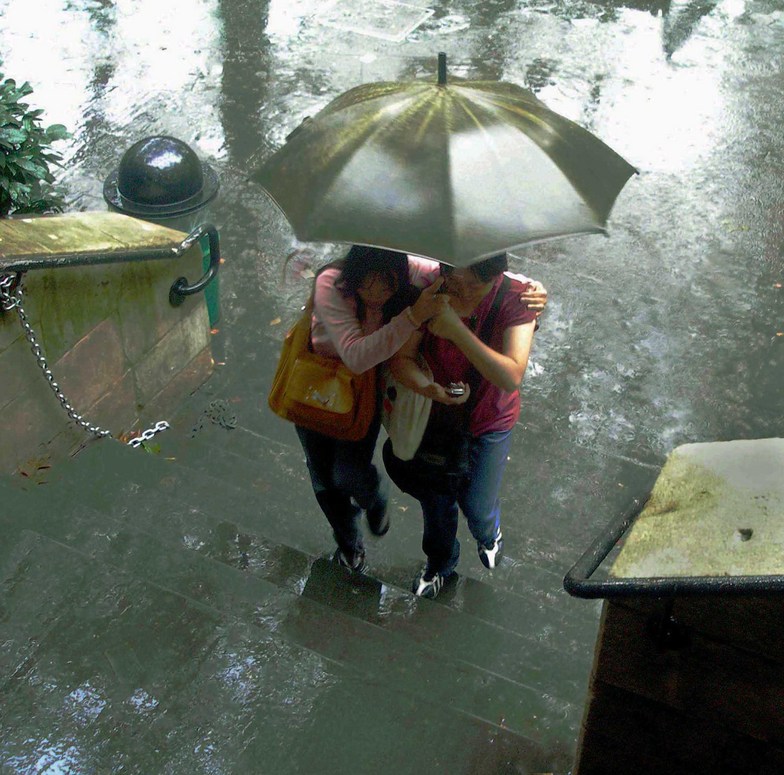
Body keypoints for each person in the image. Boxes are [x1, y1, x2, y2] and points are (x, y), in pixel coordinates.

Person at [296, 245, 547, 574]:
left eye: (387, 285)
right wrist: (417, 325)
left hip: (388, 401)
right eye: (365, 286)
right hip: (319, 389)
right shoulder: (335, 283)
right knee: (330, 482)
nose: (376, 295)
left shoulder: (434, 276)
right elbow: (363, 358)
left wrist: (534, 289)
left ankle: (479, 532)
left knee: (471, 502)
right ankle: (361, 546)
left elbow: (510, 368)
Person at [388, 253, 539, 598]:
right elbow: (402, 360)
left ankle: (489, 533)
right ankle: (440, 563)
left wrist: (455, 330)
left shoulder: (517, 298)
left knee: (478, 503)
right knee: (437, 505)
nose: (465, 291)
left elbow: (510, 375)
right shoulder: (431, 291)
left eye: (476, 284)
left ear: (495, 276)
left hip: (490, 421)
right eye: (458, 279)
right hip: (435, 420)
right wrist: (430, 390)